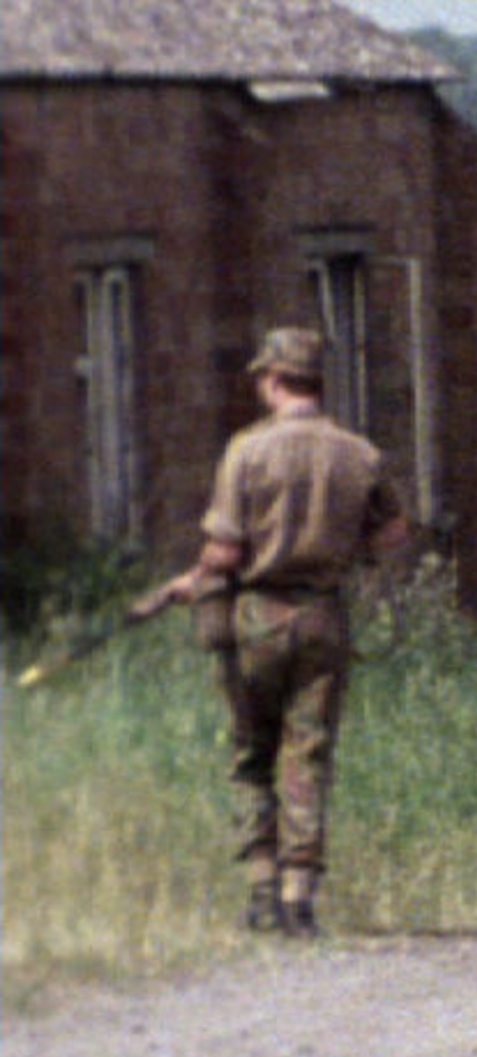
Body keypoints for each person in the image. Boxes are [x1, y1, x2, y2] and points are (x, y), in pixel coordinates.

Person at [155, 327, 411, 938]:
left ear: (273, 380)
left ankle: (262, 891)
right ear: (317, 383)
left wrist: (189, 583)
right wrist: (348, 553)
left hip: (258, 617)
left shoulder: (247, 451)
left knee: (252, 753)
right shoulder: (358, 453)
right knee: (309, 751)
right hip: (323, 615)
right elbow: (396, 530)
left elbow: (224, 551)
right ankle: (301, 898)